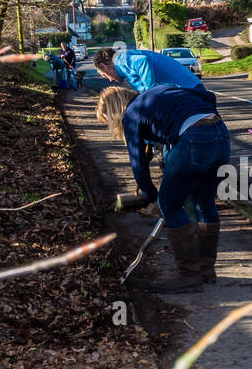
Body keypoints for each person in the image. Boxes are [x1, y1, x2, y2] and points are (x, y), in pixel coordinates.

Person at [96, 84, 229, 290]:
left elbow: (138, 164)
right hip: (220, 134)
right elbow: (208, 95)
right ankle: (206, 270)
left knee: (169, 204)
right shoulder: (157, 93)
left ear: (114, 110)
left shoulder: (131, 114)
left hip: (194, 140)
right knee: (205, 202)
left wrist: (151, 196)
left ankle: (189, 276)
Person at [94, 46, 205, 92]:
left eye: (105, 75)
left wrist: (150, 92)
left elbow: (143, 61)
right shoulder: (125, 63)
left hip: (189, 89)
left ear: (105, 66)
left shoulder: (122, 60)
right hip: (190, 87)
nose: (109, 79)